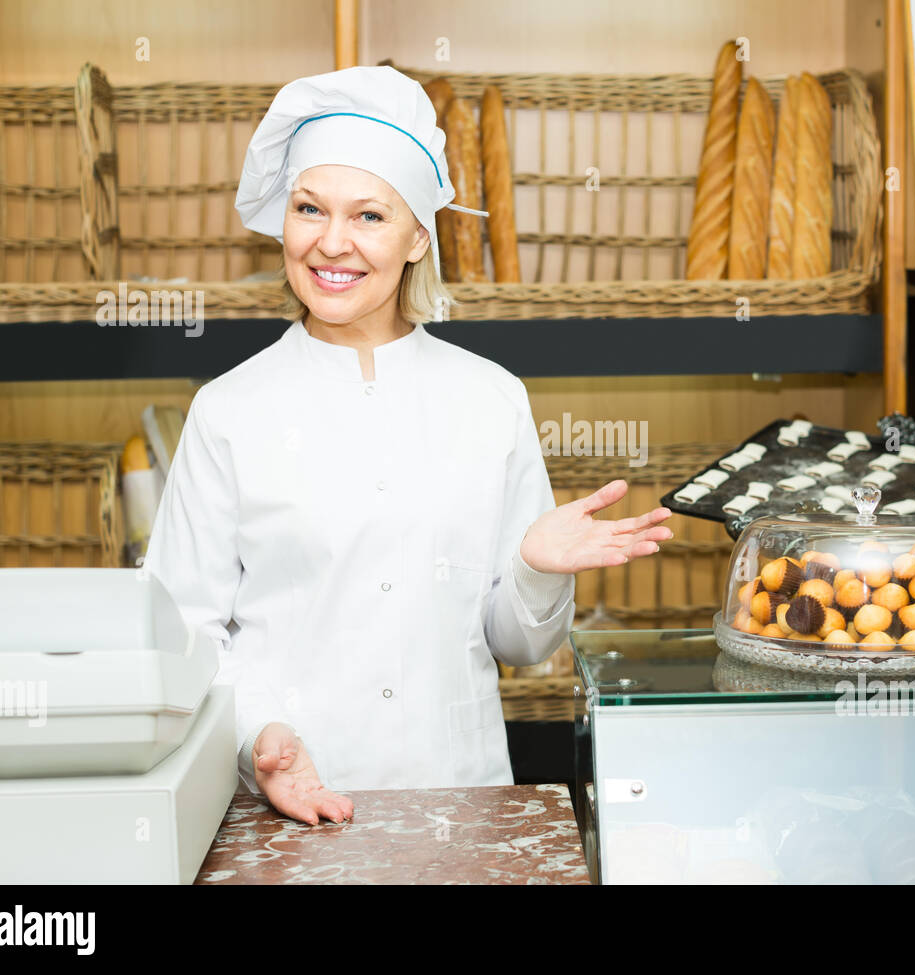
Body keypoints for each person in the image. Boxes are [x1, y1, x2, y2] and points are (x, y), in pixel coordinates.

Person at [144, 66, 672, 826]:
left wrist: (534, 568)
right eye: (309, 209)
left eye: (368, 216)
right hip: (282, 814)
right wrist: (261, 736)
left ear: (419, 235)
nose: (332, 242)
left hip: (458, 804)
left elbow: (521, 644)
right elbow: (184, 630)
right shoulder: (229, 411)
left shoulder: (491, 398)